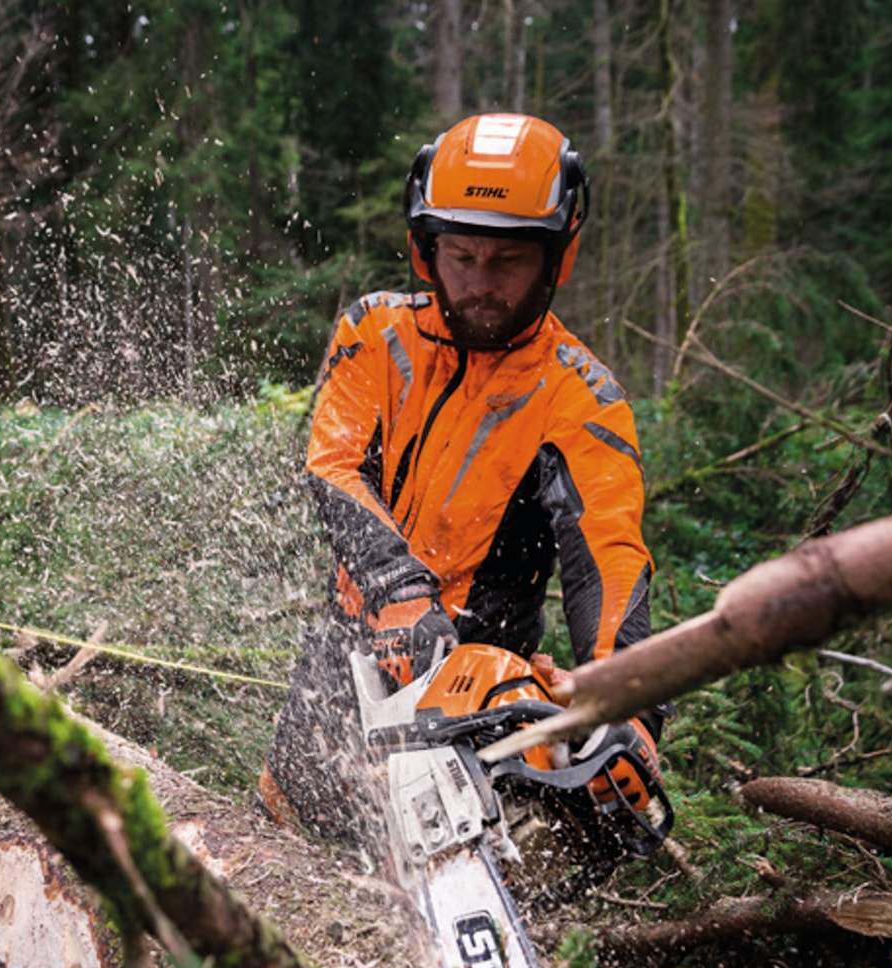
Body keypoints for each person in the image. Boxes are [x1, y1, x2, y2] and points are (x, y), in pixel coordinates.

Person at [260, 112, 662, 843]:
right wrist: (398, 591)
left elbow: (608, 555)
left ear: (554, 259)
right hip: (348, 654)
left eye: (506, 262)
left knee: (473, 860)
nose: (480, 284)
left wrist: (623, 701)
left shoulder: (582, 397)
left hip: (483, 687)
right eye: (461, 256)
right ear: (426, 248)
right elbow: (333, 462)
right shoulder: (375, 335)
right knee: (287, 838)